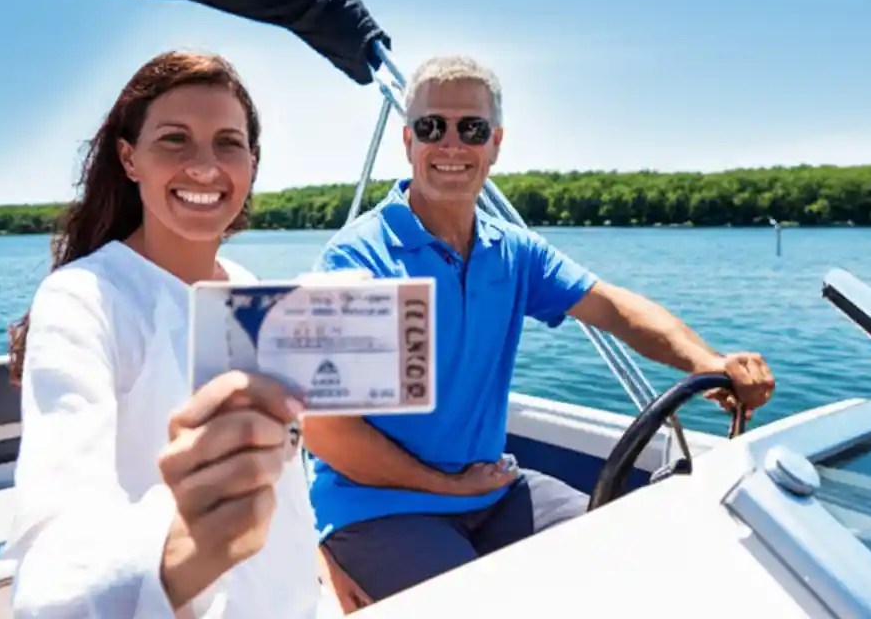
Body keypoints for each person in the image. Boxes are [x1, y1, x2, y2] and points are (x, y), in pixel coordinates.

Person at [302, 55, 777, 606]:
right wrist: (448, 486)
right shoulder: (356, 259)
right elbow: (327, 433)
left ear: (496, 143)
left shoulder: (514, 252)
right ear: (408, 141)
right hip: (377, 503)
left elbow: (615, 308)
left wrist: (706, 362)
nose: (451, 145)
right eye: (432, 127)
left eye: (471, 129)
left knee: (629, 564)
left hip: (490, 490)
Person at [0, 50, 364, 618]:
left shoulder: (247, 290)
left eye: (227, 142)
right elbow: (54, 576)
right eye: (174, 139)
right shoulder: (83, 300)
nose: (203, 165)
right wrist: (179, 548)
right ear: (129, 157)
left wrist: (319, 562)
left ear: (251, 163)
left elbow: (284, 472)